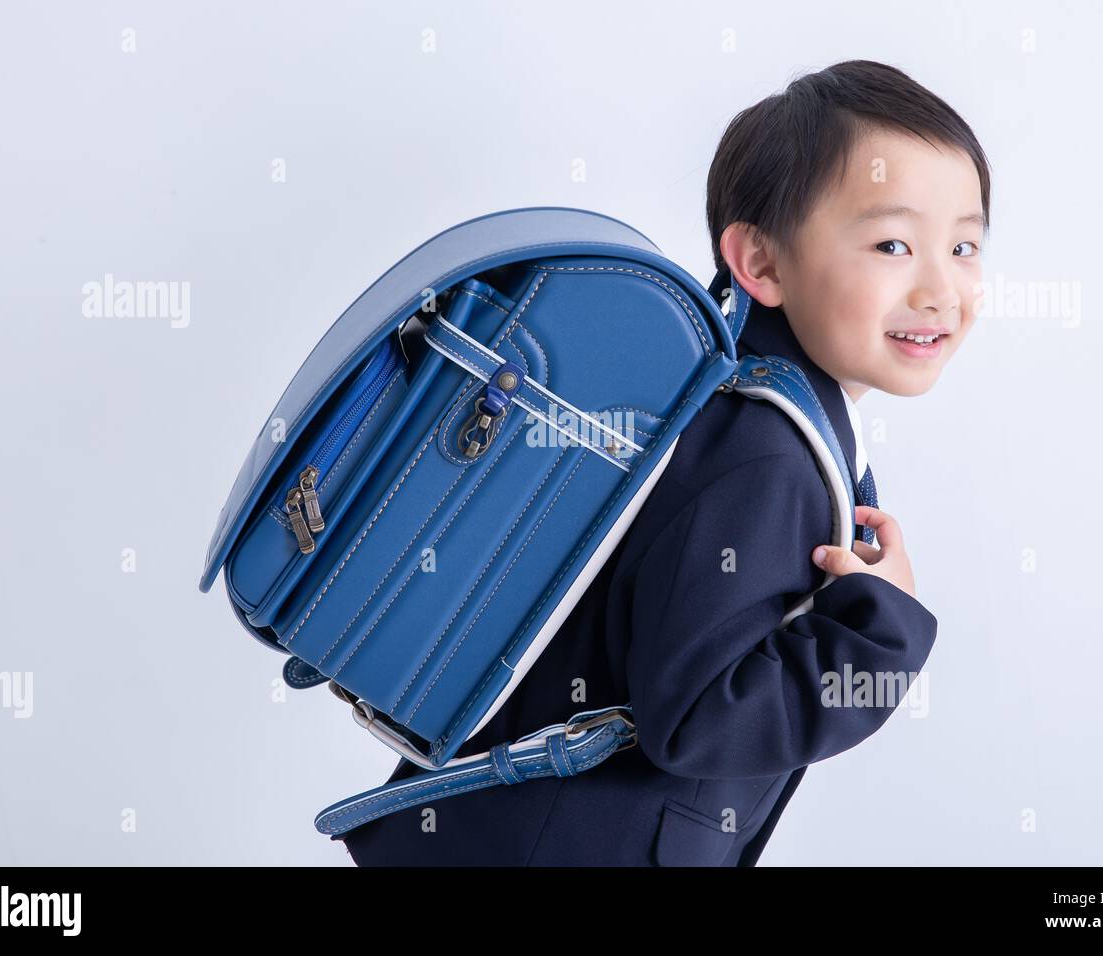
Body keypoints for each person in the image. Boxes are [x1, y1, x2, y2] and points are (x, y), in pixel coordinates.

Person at [338, 58, 990, 866]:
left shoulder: (747, 411)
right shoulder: (763, 455)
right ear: (763, 264)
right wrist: (877, 636)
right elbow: (698, 718)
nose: (942, 290)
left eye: (964, 246)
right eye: (894, 243)